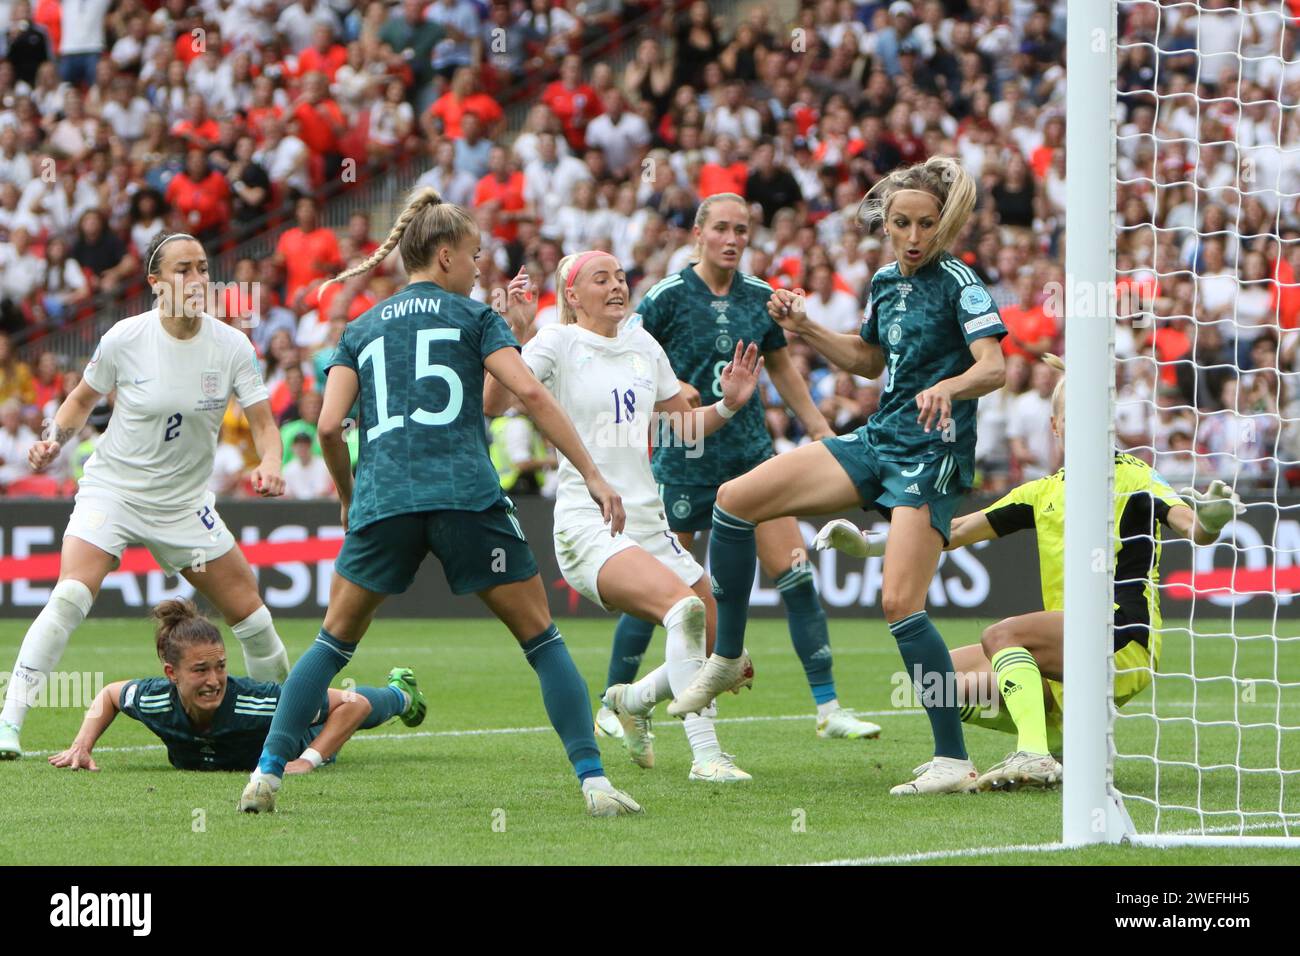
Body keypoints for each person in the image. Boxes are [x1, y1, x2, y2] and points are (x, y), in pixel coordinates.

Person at [238, 187, 642, 818]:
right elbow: (531, 396)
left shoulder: (360, 327)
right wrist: (591, 472)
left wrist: (349, 498)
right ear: (446, 254)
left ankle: (264, 777)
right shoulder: (475, 318)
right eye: (476, 255)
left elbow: (325, 429)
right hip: (464, 496)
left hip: (384, 499)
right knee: (541, 639)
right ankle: (594, 784)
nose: (481, 268)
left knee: (331, 642)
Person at [669, 158, 1009, 795]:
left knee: (899, 602)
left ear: (945, 226)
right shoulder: (885, 282)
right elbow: (866, 358)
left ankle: (953, 760)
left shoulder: (962, 283)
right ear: (886, 225)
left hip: (931, 455)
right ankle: (726, 658)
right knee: (736, 499)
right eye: (901, 223)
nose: (913, 236)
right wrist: (805, 329)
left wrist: (949, 385)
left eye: (926, 224)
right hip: (879, 438)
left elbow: (994, 368)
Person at [815, 355, 1242, 790]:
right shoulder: (1043, 491)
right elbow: (954, 528)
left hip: (1123, 639)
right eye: (1071, 416)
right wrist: (869, 545)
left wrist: (1210, 521)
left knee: (1002, 634)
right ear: (1055, 426)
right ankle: (1064, 740)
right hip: (1070, 648)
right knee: (935, 678)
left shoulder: (1137, 479)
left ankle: (1034, 753)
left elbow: (1192, 528)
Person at [0, 231, 290, 760]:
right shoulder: (124, 338)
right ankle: (9, 724)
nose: (198, 280)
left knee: (255, 620)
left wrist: (271, 463)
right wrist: (52, 439)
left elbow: (265, 425)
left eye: (203, 268)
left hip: (185, 505)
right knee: (69, 596)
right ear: (155, 282)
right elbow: (81, 399)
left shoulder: (232, 346)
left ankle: (281, 735)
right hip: (114, 492)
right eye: (183, 270)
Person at [614, 191, 883, 742]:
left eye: (742, 230)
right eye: (722, 229)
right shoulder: (665, 297)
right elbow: (629, 357)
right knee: (664, 591)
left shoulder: (761, 297)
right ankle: (612, 697)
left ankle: (829, 709)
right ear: (698, 233)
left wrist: (817, 430)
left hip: (752, 460)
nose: (733, 239)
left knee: (796, 575)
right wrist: (670, 390)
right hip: (684, 456)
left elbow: (782, 369)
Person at [486, 251, 761, 782]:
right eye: (601, 279)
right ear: (572, 294)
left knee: (729, 658)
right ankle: (707, 756)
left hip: (648, 525)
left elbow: (685, 429)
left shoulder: (643, 345)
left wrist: (728, 405)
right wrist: (510, 333)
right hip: (588, 524)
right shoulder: (555, 342)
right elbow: (492, 402)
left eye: (620, 277)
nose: (617, 286)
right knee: (685, 612)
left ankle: (631, 700)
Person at [49, 598, 425, 773]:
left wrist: (307, 761)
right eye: (200, 670)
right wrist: (82, 746)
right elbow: (110, 694)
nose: (214, 680)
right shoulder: (154, 699)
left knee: (356, 705)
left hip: (307, 737)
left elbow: (352, 705)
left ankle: (401, 694)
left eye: (221, 667)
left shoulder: (257, 701)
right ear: (170, 674)